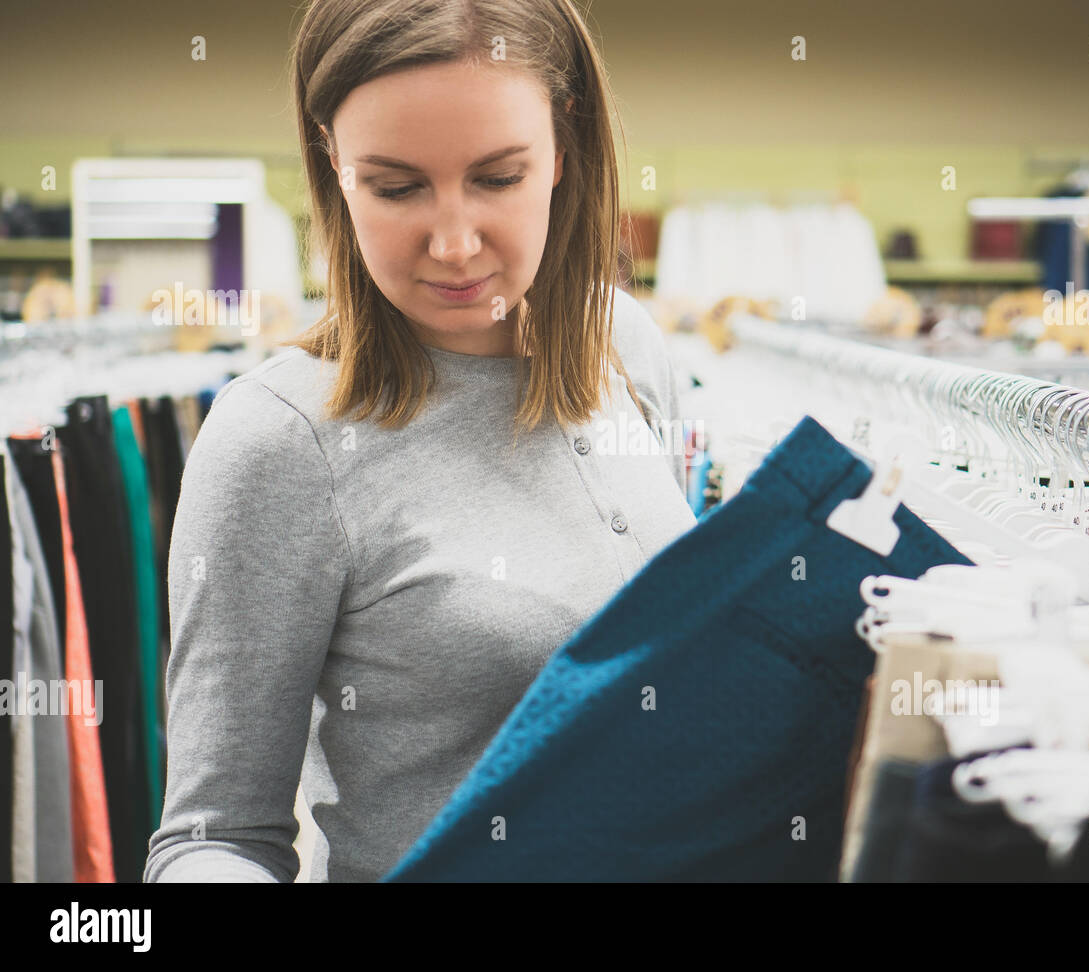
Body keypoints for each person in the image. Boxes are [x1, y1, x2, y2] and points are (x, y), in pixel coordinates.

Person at [143, 0, 697, 882]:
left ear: (564, 148)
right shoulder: (281, 440)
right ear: (333, 164)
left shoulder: (627, 348)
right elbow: (214, 835)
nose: (453, 242)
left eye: (498, 177)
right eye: (396, 187)